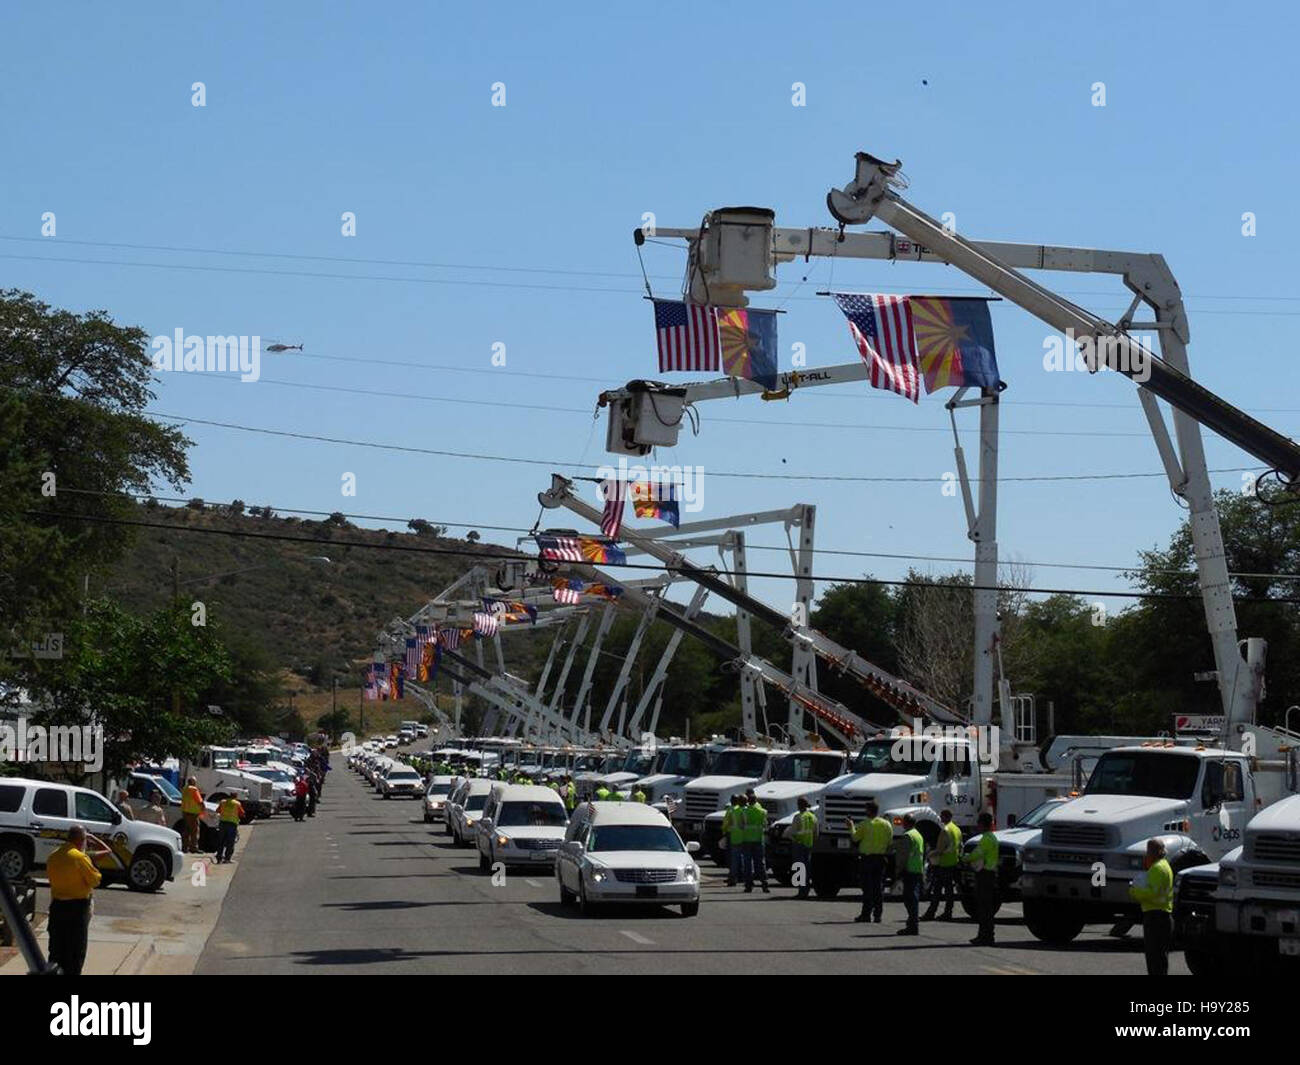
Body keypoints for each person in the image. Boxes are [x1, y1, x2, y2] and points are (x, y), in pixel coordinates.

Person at [46, 825, 110, 976]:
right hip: (77, 907)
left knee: (56, 948)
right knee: (76, 950)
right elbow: (95, 880)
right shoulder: (80, 857)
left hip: (57, 906)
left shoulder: (53, 856)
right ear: (81, 840)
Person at [1129, 838, 1174, 976]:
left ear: (1153, 852)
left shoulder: (1157, 868)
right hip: (1163, 915)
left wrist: (1134, 891)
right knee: (1160, 958)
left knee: (1154, 958)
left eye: (1148, 851)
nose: (1146, 854)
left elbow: (1152, 893)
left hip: (1155, 917)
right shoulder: (1165, 865)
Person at [847, 801, 892, 923]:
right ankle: (878, 914)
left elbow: (855, 838)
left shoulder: (864, 824)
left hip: (867, 859)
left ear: (869, 811)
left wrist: (850, 826)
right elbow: (889, 842)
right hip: (880, 858)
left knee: (867, 887)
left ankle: (866, 914)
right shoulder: (886, 824)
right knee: (878, 887)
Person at [964, 811, 999, 946]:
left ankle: (985, 936)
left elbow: (976, 854)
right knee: (987, 907)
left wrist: (964, 858)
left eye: (978, 823)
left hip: (985, 874)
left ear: (982, 824)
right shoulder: (993, 837)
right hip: (990, 874)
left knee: (984, 908)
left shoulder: (986, 839)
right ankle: (986, 935)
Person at [922, 809, 962, 921]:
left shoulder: (945, 830)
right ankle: (948, 912)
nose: (940, 818)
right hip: (953, 862)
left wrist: (929, 855)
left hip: (943, 863)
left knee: (937, 890)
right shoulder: (957, 829)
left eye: (942, 816)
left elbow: (940, 849)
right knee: (949, 891)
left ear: (946, 817)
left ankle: (931, 913)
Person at [897, 814, 924, 935]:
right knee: (913, 898)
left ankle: (913, 925)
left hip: (909, 870)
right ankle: (913, 924)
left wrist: (898, 870)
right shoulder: (918, 834)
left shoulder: (907, 836)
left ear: (906, 823)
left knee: (910, 899)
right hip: (918, 869)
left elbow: (903, 856)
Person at [790, 796, 818, 899]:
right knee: (807, 868)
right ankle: (806, 889)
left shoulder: (798, 817)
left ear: (799, 805)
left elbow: (792, 832)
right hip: (809, 845)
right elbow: (816, 833)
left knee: (799, 868)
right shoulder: (813, 817)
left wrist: (793, 839)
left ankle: (801, 891)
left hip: (798, 844)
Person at [743, 790, 769, 894]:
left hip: (747, 840)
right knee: (760, 863)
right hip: (758, 839)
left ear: (748, 801)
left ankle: (748, 885)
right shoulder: (763, 812)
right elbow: (765, 825)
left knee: (748, 864)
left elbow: (742, 825)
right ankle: (764, 884)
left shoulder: (744, 812)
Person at [215, 793, 245, 864]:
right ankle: (227, 858)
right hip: (232, 824)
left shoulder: (223, 802)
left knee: (221, 841)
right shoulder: (237, 804)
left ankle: (219, 858)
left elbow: (217, 810)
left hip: (222, 824)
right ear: (236, 797)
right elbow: (242, 813)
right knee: (230, 842)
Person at [723, 794, 746, 887]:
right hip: (745, 837)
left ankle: (733, 877)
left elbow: (726, 822)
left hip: (733, 835)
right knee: (743, 858)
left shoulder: (732, 810)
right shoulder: (744, 810)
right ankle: (742, 876)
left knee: (733, 858)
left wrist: (724, 831)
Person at [180, 777, 204, 853]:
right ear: (193, 782)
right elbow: (200, 801)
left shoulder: (185, 789)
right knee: (194, 831)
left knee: (186, 831)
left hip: (185, 812)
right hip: (193, 814)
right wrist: (203, 808)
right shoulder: (194, 789)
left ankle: (185, 847)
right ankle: (194, 848)